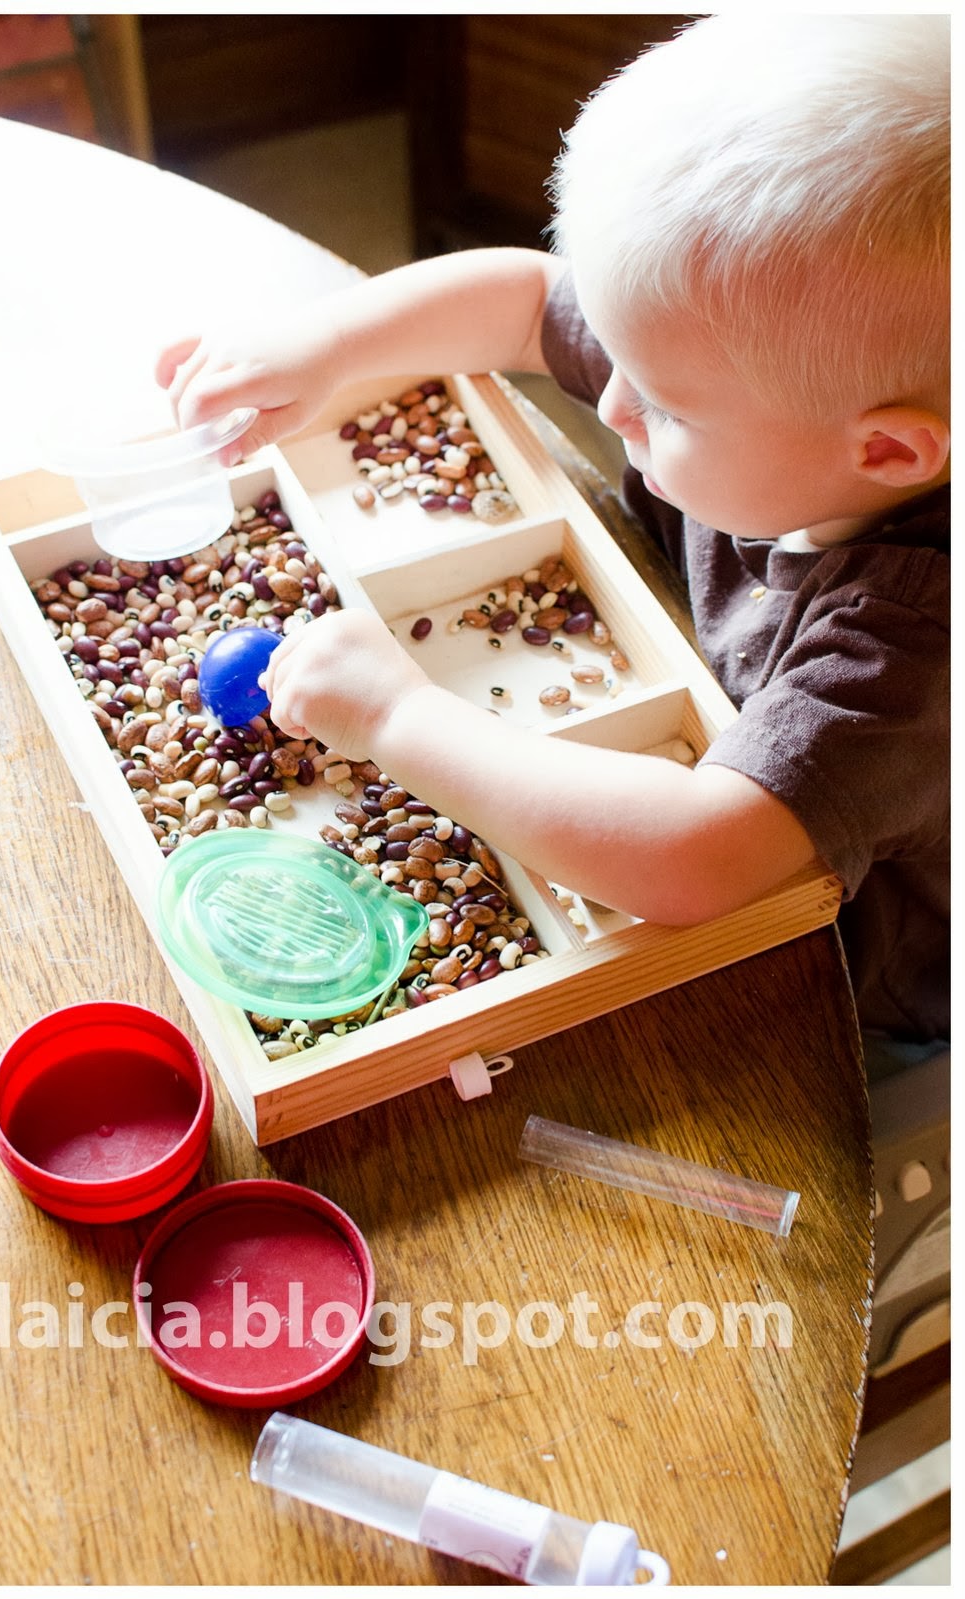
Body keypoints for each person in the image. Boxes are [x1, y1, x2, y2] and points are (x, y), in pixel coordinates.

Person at [156, 13, 949, 1054]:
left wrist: (399, 715)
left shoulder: (912, 648)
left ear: (887, 455)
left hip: (862, 973)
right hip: (700, 687)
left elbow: (691, 857)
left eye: (666, 408)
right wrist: (327, 344)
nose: (610, 403)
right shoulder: (745, 359)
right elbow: (528, 298)